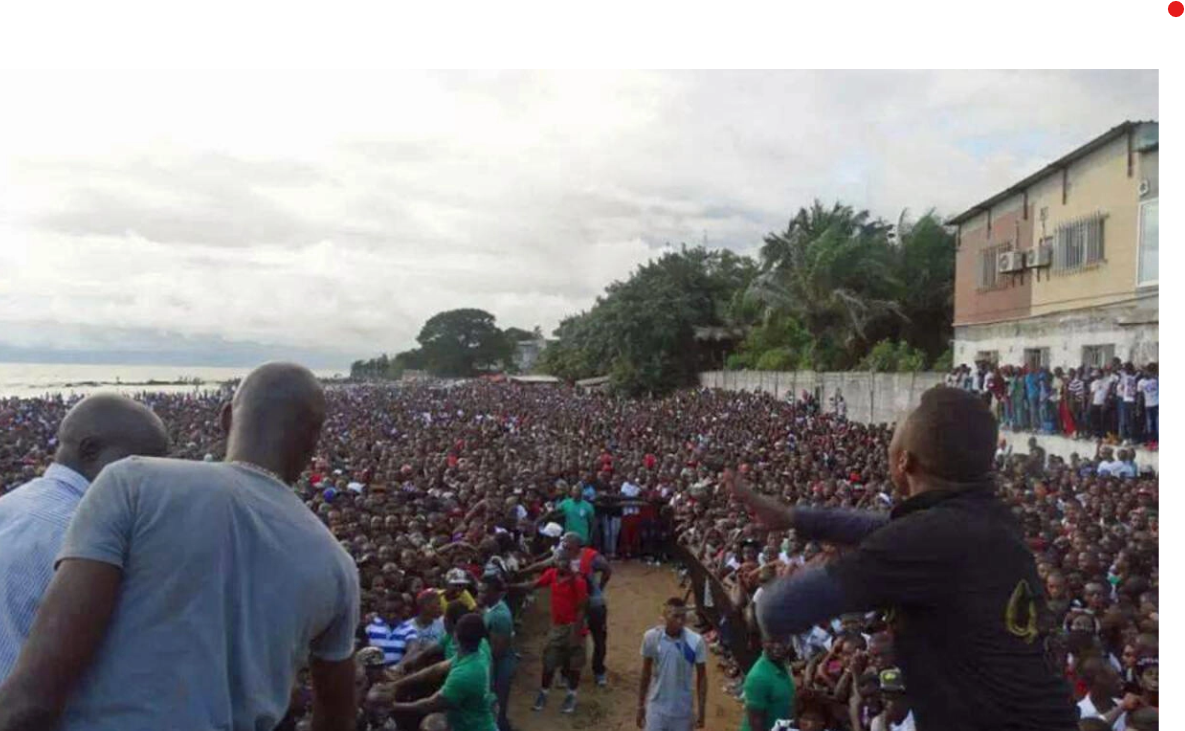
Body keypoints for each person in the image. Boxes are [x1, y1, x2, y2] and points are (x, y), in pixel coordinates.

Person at [0, 362, 360, 731]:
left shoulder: (131, 482)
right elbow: (339, 718)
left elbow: (32, 702)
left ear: (225, 419)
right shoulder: (338, 565)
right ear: (315, 440)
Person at [731, 386, 1078, 730]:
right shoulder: (990, 518)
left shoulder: (922, 538)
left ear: (904, 460)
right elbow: (886, 527)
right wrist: (793, 518)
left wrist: (802, 572)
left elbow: (775, 611)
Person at [0, 394, 169, 680]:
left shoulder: (11, 503)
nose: (155, 479)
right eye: (141, 464)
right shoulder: (90, 538)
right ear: (90, 450)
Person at [389, 613, 497, 731]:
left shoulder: (464, 674)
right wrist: (395, 684)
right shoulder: (476, 653)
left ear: (456, 635)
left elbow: (429, 705)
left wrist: (393, 706)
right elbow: (435, 670)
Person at [520, 562, 588, 715]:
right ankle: (544, 693)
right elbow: (535, 584)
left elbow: (581, 609)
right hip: (558, 627)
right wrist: (511, 586)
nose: (562, 564)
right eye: (560, 560)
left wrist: (576, 635)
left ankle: (571, 695)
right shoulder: (552, 574)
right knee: (549, 661)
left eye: (565, 561)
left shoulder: (578, 582)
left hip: (574, 626)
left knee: (574, 664)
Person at [638, 597, 708, 731]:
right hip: (656, 709)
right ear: (664, 615)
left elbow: (702, 677)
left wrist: (701, 710)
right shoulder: (651, 637)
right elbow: (646, 672)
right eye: (675, 616)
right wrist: (640, 706)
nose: (680, 621)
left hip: (682, 712)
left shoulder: (695, 641)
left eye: (683, 616)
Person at [558, 531, 613, 686]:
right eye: (564, 543)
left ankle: (599, 671)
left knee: (599, 639)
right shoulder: (562, 556)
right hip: (574, 605)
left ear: (576, 545)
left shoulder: (591, 556)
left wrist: (599, 589)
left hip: (593, 604)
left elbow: (607, 569)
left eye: (568, 543)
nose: (565, 545)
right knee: (570, 638)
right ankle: (566, 672)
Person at [478, 575, 516, 731]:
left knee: (496, 707)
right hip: (498, 664)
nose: (479, 594)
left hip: (499, 667)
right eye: (479, 590)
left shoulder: (500, 616)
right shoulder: (492, 608)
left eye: (483, 592)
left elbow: (497, 651)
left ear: (495, 593)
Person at [741, 636, 795, 731]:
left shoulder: (782, 666)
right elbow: (756, 724)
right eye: (772, 641)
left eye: (783, 641)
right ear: (763, 642)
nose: (778, 646)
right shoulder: (758, 677)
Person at [554, 481, 596, 548]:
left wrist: (590, 539)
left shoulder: (588, 506)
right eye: (574, 490)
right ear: (571, 492)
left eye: (577, 490)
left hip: (582, 538)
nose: (575, 492)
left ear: (581, 492)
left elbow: (592, 523)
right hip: (568, 537)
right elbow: (554, 513)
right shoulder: (565, 503)